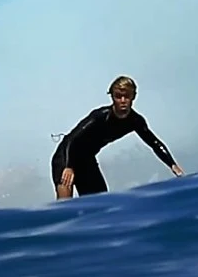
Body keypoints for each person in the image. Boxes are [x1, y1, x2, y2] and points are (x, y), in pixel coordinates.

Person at [50, 75, 185, 199]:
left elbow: (154, 142)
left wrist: (173, 165)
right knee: (65, 202)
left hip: (86, 160)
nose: (123, 101)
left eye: (127, 96)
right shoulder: (100, 116)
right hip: (66, 155)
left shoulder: (135, 121)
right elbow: (72, 140)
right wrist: (69, 166)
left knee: (101, 202)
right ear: (112, 97)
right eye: (118, 96)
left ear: (133, 97)